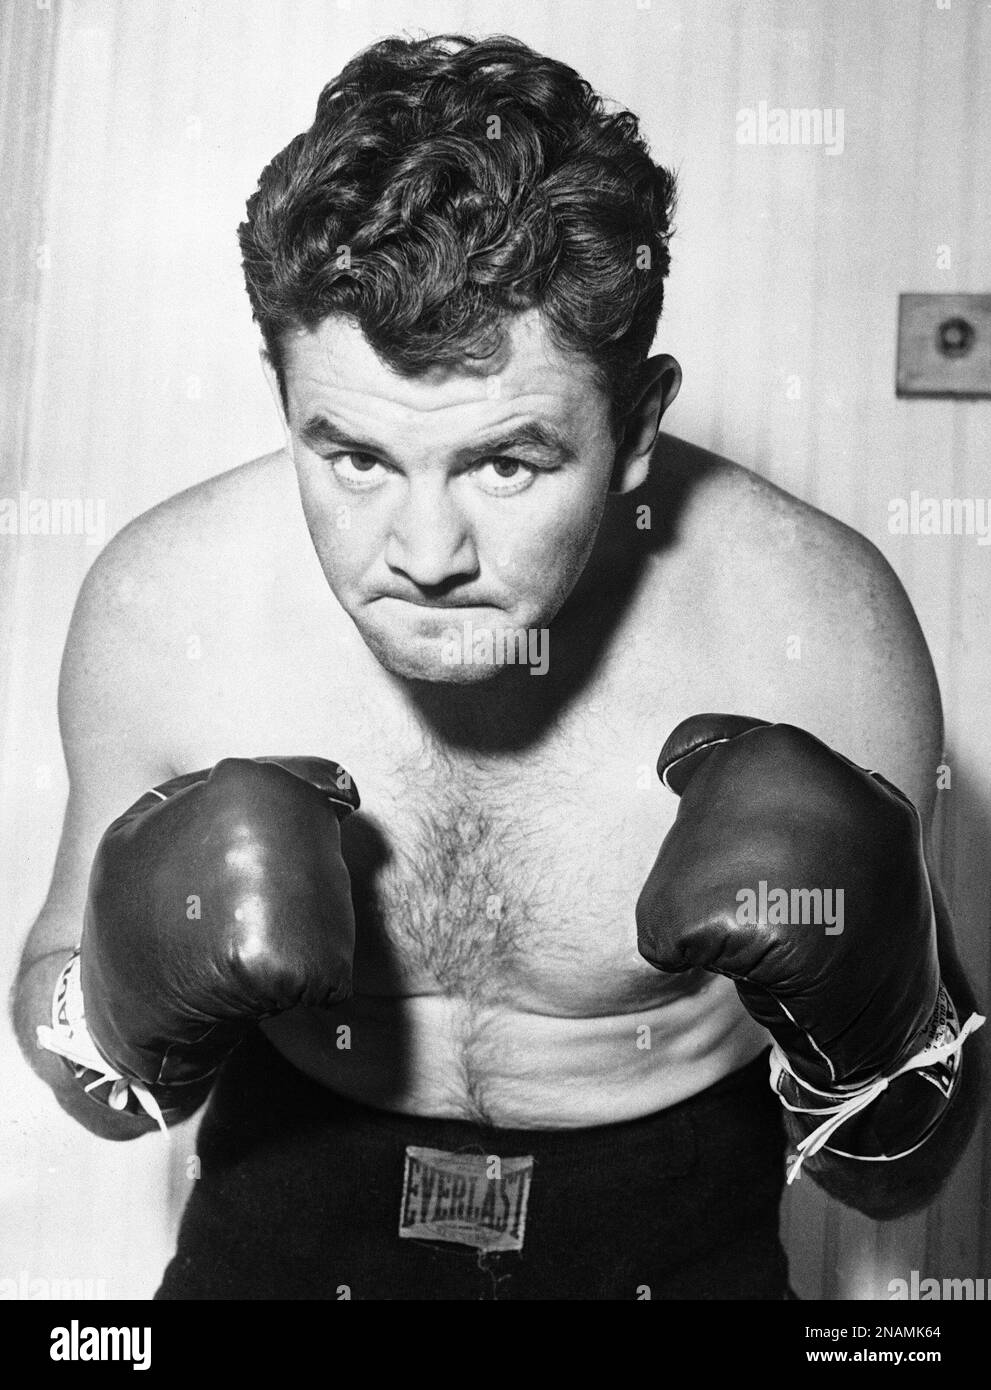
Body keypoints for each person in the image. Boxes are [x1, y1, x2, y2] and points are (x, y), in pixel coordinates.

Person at [12, 33, 984, 1301]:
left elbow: (900, 1175)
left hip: (674, 1244)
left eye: (505, 464)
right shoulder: (168, 606)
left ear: (636, 427)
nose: (423, 553)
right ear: (282, 396)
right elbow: (88, 1071)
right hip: (281, 1225)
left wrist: (874, 1026)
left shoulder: (816, 622)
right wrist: (119, 1006)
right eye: (353, 456)